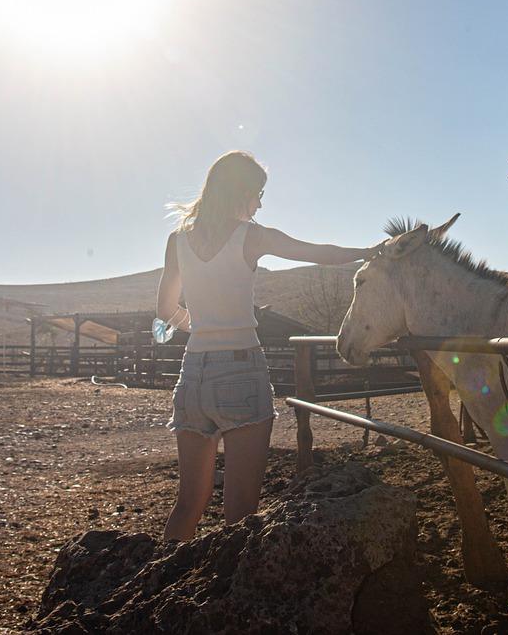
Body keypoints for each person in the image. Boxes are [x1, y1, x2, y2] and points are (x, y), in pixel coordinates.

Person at [157, 150, 381, 541]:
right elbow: (318, 253)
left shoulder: (177, 241)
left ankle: (158, 588)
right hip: (241, 372)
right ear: (240, 191)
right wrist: (366, 252)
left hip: (192, 375)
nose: (260, 203)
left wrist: (202, 327)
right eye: (258, 192)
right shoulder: (252, 236)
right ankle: (230, 597)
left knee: (189, 502)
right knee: (242, 513)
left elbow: (164, 308)